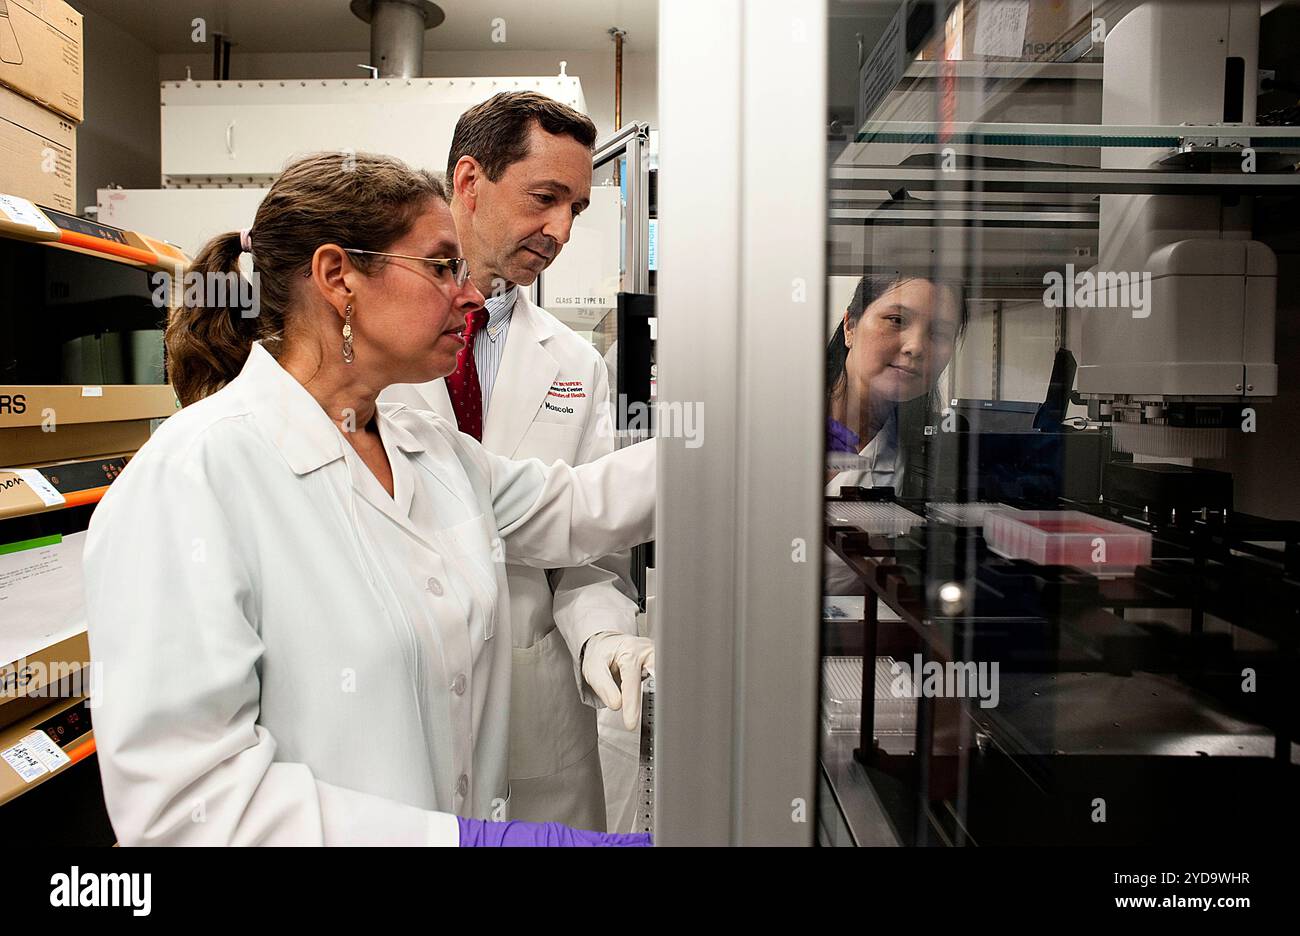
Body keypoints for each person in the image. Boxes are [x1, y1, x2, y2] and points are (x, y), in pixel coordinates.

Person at [81, 151, 654, 846]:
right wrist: (462, 843)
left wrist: (760, 438)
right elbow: (189, 809)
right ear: (337, 277)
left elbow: (576, 507)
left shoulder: (431, 449)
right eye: (443, 267)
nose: (471, 295)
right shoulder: (192, 479)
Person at [380, 92, 650, 831]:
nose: (561, 229)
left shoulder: (573, 361)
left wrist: (601, 635)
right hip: (407, 708)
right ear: (469, 183)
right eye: (545, 198)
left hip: (539, 715)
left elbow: (588, 543)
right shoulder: (378, 349)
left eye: (577, 209)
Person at [824, 273, 967, 594]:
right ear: (850, 327)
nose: (916, 346)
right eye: (896, 319)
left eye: (939, 333)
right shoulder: (775, 421)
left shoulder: (925, 459)